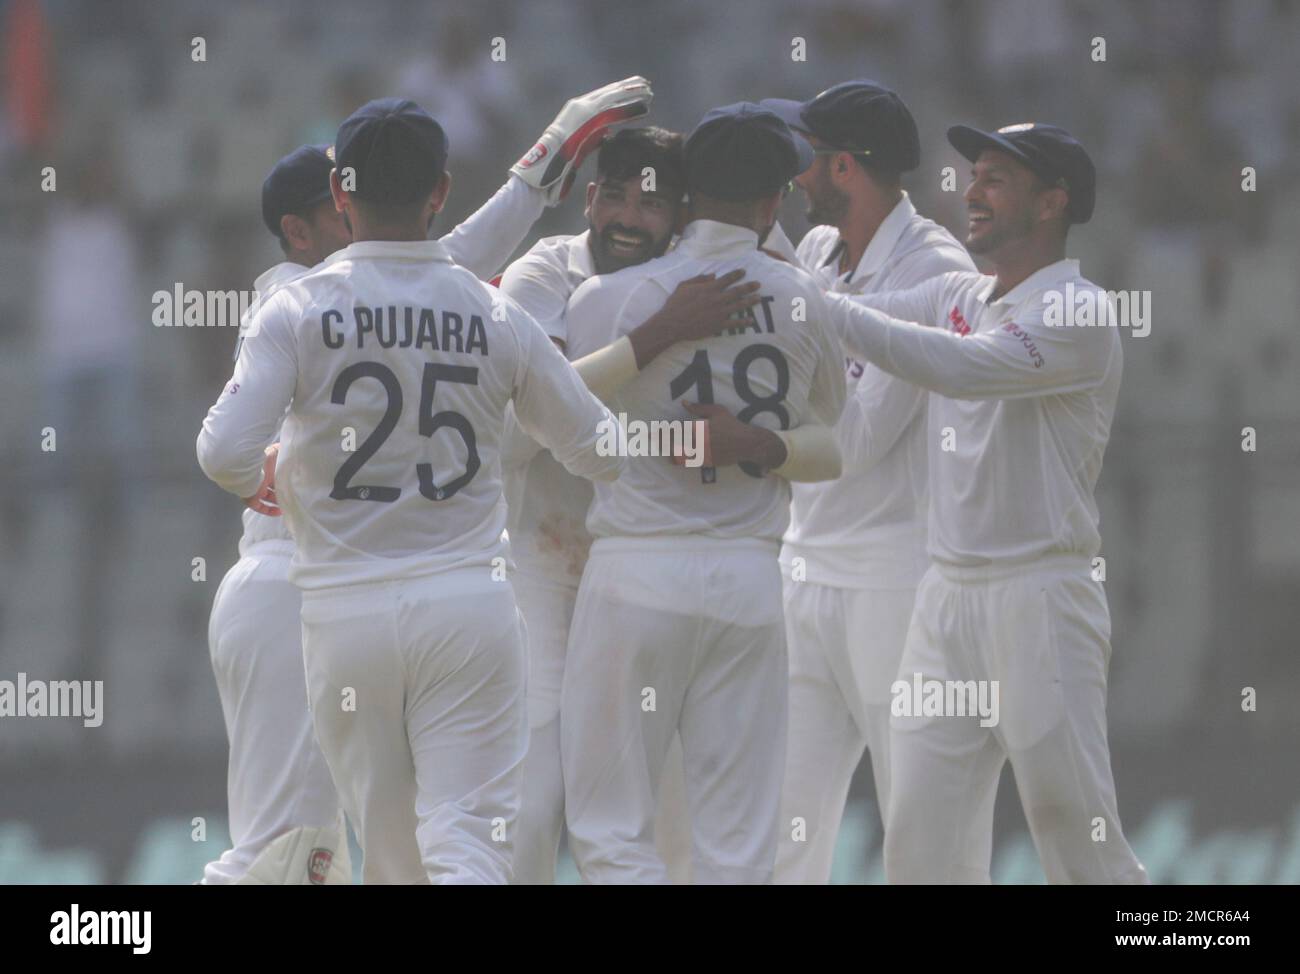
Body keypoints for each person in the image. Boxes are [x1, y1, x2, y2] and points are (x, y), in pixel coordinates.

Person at [201, 77, 650, 885]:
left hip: (335, 605)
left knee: (357, 857)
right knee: (383, 845)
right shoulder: (445, 303)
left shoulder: (311, 303)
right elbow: (594, 441)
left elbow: (423, 270)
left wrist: (271, 476)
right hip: (418, 599)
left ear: (347, 199)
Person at [823, 122, 1148, 884]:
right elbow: (863, 316)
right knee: (919, 849)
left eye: (996, 178)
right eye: (974, 175)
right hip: (946, 600)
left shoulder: (1080, 310)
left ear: (1052, 202)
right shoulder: (954, 293)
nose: (970, 191)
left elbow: (963, 369)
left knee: (1078, 841)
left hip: (1040, 600)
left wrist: (817, 309)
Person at [559, 103, 847, 884]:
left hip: (636, 575)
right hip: (749, 582)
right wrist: (760, 444)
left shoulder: (610, 299)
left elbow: (548, 413)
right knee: (739, 845)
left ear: (684, 199)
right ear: (773, 205)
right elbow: (831, 448)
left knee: (613, 832)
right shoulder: (802, 300)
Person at [759, 81, 990, 883]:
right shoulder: (821, 252)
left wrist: (747, 442)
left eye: (810, 160)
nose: (797, 177)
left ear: (847, 166)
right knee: (781, 832)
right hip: (805, 568)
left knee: (923, 832)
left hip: (895, 583)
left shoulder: (934, 269)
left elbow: (855, 439)